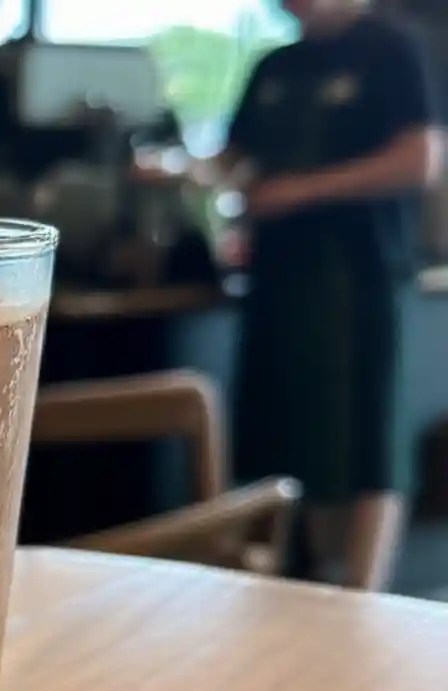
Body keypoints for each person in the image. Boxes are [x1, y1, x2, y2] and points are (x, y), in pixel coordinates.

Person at [186, 0, 441, 589]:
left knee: (367, 446)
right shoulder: (275, 64)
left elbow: (420, 160)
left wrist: (303, 191)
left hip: (363, 278)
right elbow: (230, 158)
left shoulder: (391, 49)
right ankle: (305, 588)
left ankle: (363, 595)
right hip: (278, 283)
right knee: (293, 440)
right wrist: (181, 173)